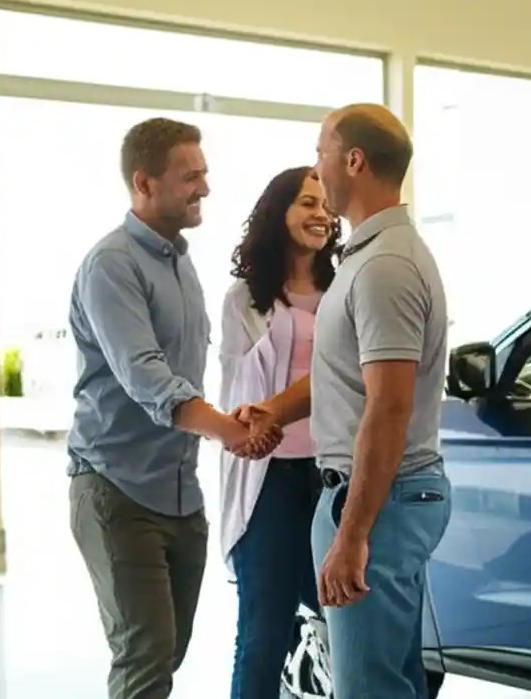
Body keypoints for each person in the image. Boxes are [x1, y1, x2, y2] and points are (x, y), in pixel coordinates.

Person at [232, 103, 452, 698]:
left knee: (367, 690)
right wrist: (275, 410)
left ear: (354, 161)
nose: (317, 166)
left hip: (379, 501)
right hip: (382, 497)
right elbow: (350, 375)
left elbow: (388, 407)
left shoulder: (385, 267)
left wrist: (351, 535)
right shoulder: (369, 258)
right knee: (390, 682)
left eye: (321, 152)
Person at [67, 117, 277, 699]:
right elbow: (148, 377)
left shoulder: (180, 263)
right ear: (144, 183)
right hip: (117, 489)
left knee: (169, 650)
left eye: (204, 173)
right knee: (145, 659)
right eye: (190, 177)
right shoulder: (112, 265)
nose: (204, 187)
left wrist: (235, 420)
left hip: (180, 493)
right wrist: (227, 431)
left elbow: (195, 371)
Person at [219, 166, 340, 697]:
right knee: (263, 632)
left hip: (334, 475)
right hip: (268, 480)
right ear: (279, 212)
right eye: (307, 203)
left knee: (344, 619)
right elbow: (239, 389)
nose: (320, 215)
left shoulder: (345, 289)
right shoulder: (245, 298)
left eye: (326, 206)